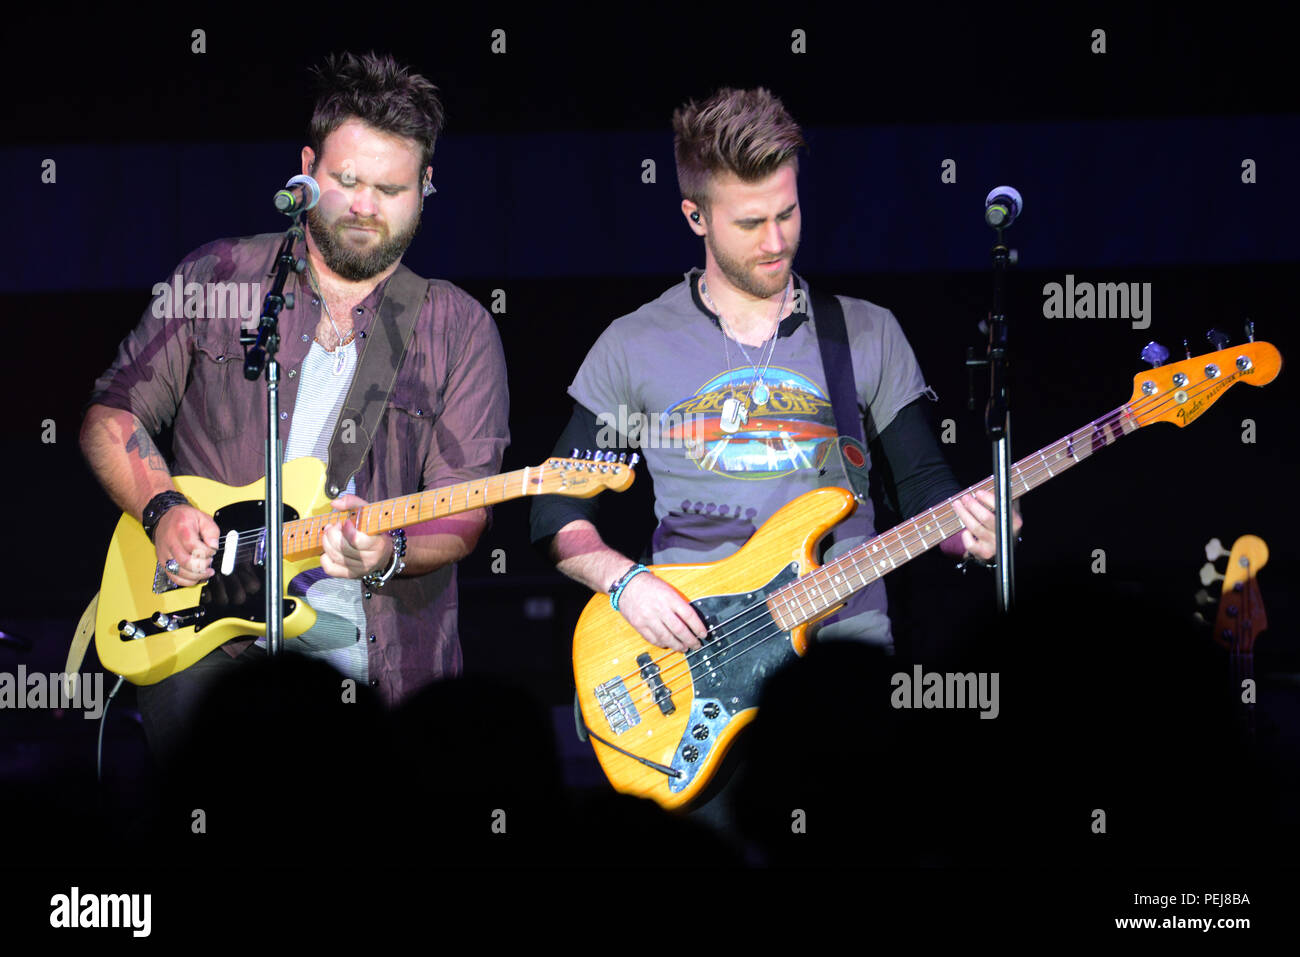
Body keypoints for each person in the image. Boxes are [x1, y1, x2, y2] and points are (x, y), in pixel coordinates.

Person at [80, 52, 510, 766]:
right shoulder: (217, 275)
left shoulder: (458, 327)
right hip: (204, 630)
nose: (366, 206)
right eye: (345, 181)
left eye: (392, 188)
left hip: (378, 656)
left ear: (427, 186)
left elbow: (464, 508)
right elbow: (113, 414)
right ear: (306, 168)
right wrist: (161, 511)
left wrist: (389, 549)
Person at [531, 86, 1021, 658]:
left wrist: (973, 532)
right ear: (696, 216)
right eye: (750, 223)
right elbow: (556, 506)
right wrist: (626, 585)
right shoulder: (633, 344)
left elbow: (921, 487)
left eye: (786, 213)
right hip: (695, 664)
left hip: (842, 658)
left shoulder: (867, 332)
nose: (775, 241)